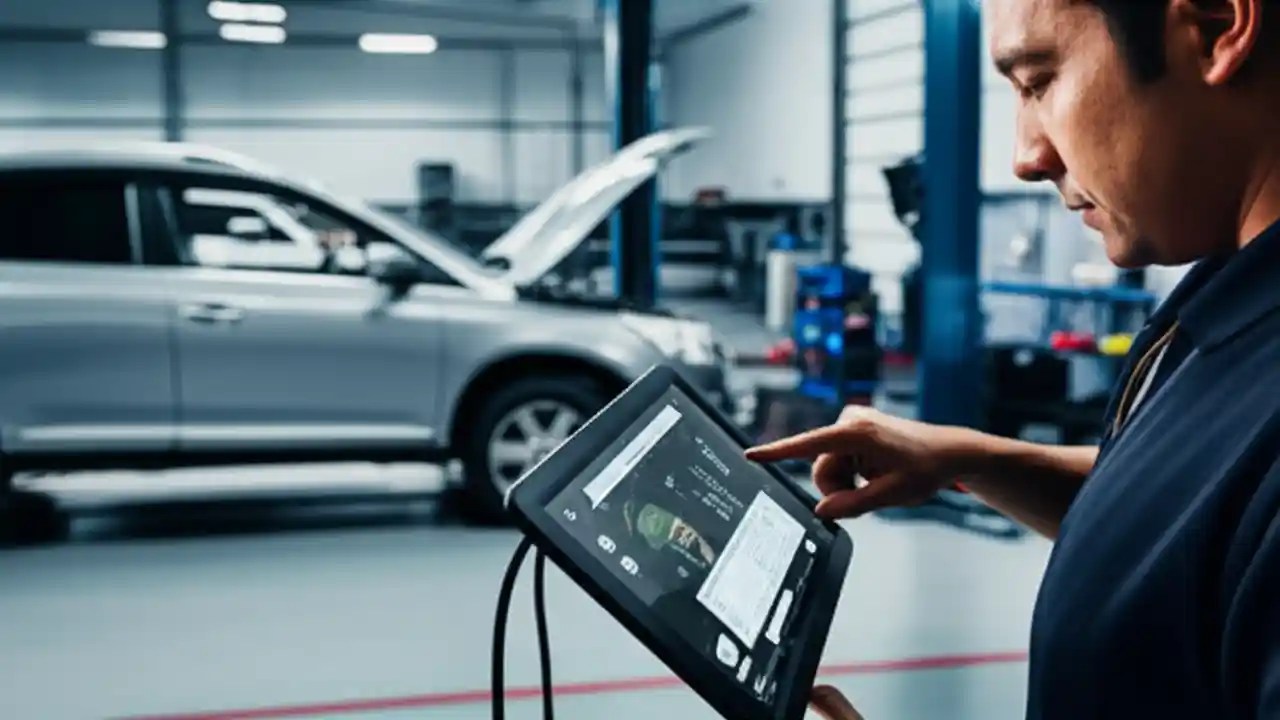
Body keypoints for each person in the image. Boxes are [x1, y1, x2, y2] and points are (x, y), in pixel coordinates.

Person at [749, 0, 1280, 718]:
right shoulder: (1229, 285)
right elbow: (1207, 520)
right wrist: (974, 459)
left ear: (1218, 29)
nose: (1026, 157)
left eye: (1038, 80)